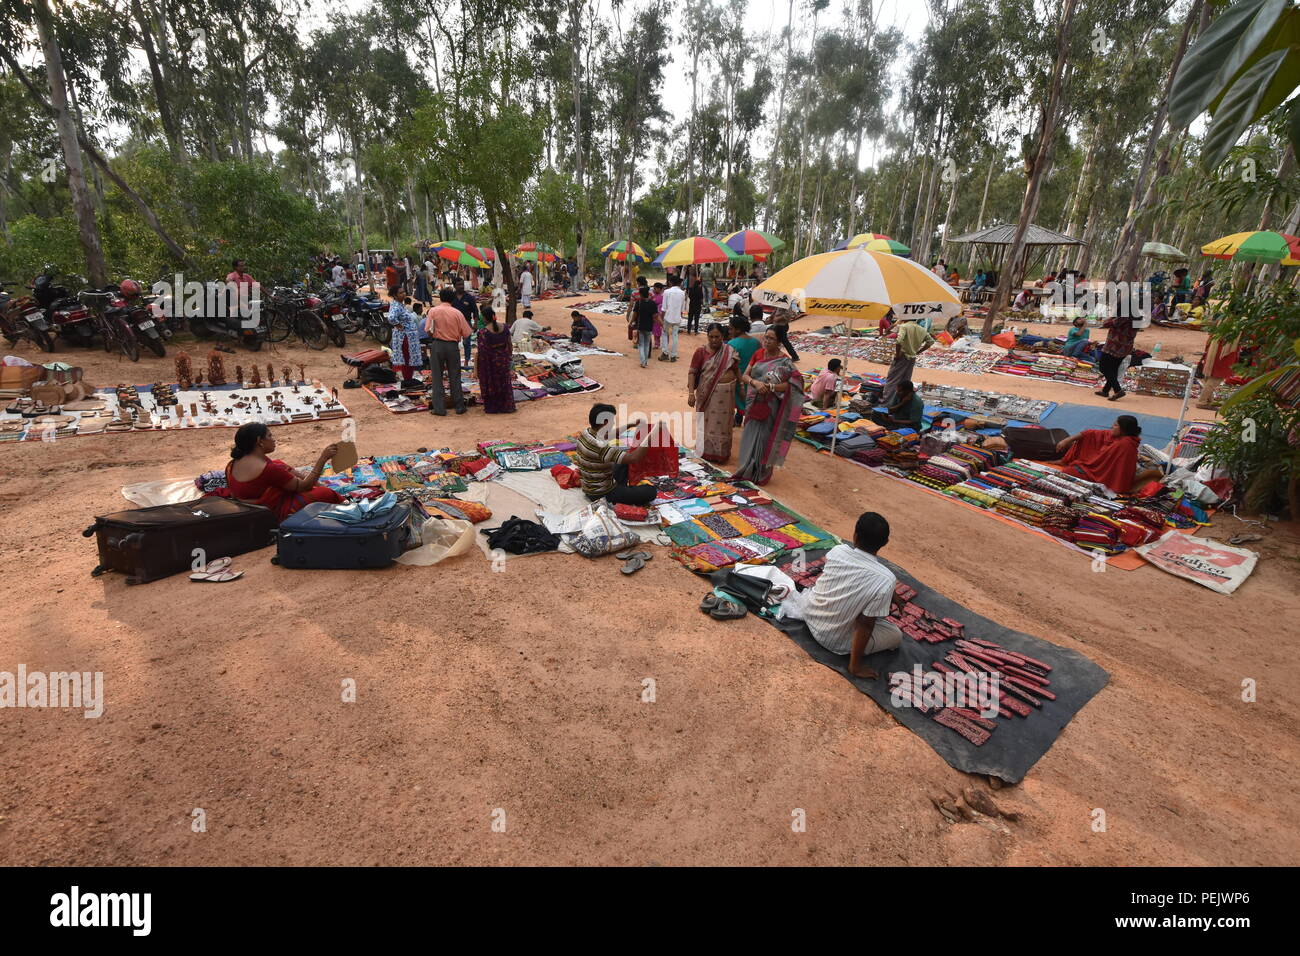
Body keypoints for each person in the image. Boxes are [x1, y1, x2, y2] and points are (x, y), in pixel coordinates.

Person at [802, 512, 900, 679]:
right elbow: (866, 625)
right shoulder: (887, 579)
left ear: (855, 535)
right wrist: (855, 667)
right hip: (832, 640)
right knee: (896, 636)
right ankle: (853, 661)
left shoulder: (838, 550)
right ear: (885, 543)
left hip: (809, 614)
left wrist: (891, 593)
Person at [224, 423, 343, 523]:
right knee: (325, 493)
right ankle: (344, 503)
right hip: (272, 513)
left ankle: (313, 481)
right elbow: (304, 487)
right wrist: (323, 458)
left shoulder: (231, 464)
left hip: (249, 506)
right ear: (260, 441)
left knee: (278, 463)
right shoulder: (268, 469)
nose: (273, 439)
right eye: (270, 436)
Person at [732, 328, 806, 486]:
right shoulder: (758, 354)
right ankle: (745, 469)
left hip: (771, 404)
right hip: (754, 400)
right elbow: (745, 375)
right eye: (766, 337)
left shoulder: (785, 361)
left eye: (771, 338)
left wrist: (771, 387)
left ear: (779, 342)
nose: (767, 341)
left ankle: (760, 473)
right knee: (749, 434)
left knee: (765, 437)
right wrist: (755, 383)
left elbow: (794, 384)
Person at [1056, 415, 1163, 494]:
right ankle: (1065, 461)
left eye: (1116, 425)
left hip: (1105, 478)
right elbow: (1090, 433)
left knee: (1067, 472)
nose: (1112, 426)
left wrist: (1084, 464)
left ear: (1123, 429)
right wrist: (1067, 440)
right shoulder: (1117, 436)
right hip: (1097, 471)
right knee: (1071, 468)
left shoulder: (1124, 444)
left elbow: (1099, 463)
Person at [575, 403, 656, 506]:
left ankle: (623, 489)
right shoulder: (600, 446)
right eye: (612, 420)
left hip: (591, 485)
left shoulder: (586, 433)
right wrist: (650, 438)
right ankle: (623, 492)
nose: (613, 423)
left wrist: (630, 425)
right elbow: (634, 458)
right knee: (650, 491)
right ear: (605, 423)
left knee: (623, 459)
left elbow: (608, 435)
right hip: (602, 493)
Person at [687, 322, 740, 463]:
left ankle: (721, 455)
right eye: (711, 337)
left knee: (723, 426)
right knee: (706, 424)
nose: (714, 340)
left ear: (723, 336)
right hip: (707, 396)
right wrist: (691, 393)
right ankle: (705, 452)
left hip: (726, 396)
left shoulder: (729, 351)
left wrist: (741, 389)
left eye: (717, 337)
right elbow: (692, 373)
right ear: (707, 337)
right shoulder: (701, 352)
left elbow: (736, 370)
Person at [423, 288, 473, 416]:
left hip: (437, 344)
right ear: (453, 299)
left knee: (437, 377)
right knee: (455, 376)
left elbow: (427, 330)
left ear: (440, 298)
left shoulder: (433, 311)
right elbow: (467, 333)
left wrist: (436, 334)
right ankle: (459, 406)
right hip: (452, 346)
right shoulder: (457, 313)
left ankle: (439, 408)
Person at [475, 306, 515, 415]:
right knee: (504, 382)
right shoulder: (505, 327)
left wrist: (479, 368)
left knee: (492, 383)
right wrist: (508, 358)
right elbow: (509, 345)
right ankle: (506, 406)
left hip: (490, 363)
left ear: (485, 318)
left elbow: (482, 351)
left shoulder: (483, 332)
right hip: (503, 360)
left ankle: (494, 407)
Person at [885, 316, 935, 404]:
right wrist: (918, 351)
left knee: (893, 380)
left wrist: (897, 355)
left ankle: (887, 402)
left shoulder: (904, 327)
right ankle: (901, 402)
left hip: (902, 356)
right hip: (912, 357)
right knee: (905, 381)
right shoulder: (922, 329)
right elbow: (930, 342)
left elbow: (899, 341)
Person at [726, 314, 761, 425]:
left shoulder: (731, 344)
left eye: (731, 329)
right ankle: (741, 417)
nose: (729, 331)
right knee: (748, 401)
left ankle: (734, 420)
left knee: (733, 400)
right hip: (751, 378)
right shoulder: (756, 342)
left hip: (736, 378)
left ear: (738, 329)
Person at [1096, 306, 1136, 401]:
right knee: (1113, 368)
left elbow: (1106, 323)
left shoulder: (1123, 317)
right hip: (1126, 347)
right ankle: (1105, 391)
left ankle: (1118, 390)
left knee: (1104, 367)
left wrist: (1112, 316)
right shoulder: (1136, 316)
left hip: (1114, 346)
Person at [387, 297, 425, 384]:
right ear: (394, 295)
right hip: (405, 336)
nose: (403, 294)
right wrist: (398, 325)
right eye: (400, 293)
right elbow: (391, 318)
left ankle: (408, 379)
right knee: (407, 358)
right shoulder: (397, 306)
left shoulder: (401, 305)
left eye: (403, 292)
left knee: (408, 359)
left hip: (408, 336)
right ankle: (407, 380)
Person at [451, 277, 479, 367]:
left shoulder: (469, 297)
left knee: (467, 342)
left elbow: (475, 311)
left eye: (462, 284)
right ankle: (455, 361)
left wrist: (475, 323)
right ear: (454, 286)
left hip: (466, 322)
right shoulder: (451, 297)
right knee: (453, 342)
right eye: (459, 285)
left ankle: (466, 360)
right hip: (453, 323)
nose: (461, 286)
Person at [659, 273, 685, 362]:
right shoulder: (682, 293)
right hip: (677, 317)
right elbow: (682, 308)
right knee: (675, 336)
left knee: (665, 334)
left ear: (670, 283)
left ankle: (665, 353)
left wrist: (661, 318)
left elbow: (664, 308)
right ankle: (673, 355)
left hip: (668, 317)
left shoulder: (667, 292)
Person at [629, 285, 657, 367]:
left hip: (640, 325)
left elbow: (634, 314)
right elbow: (655, 315)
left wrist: (631, 322)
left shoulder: (639, 303)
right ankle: (645, 361)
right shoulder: (652, 303)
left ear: (641, 295)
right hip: (649, 326)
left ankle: (642, 361)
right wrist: (660, 323)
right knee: (647, 343)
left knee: (641, 344)